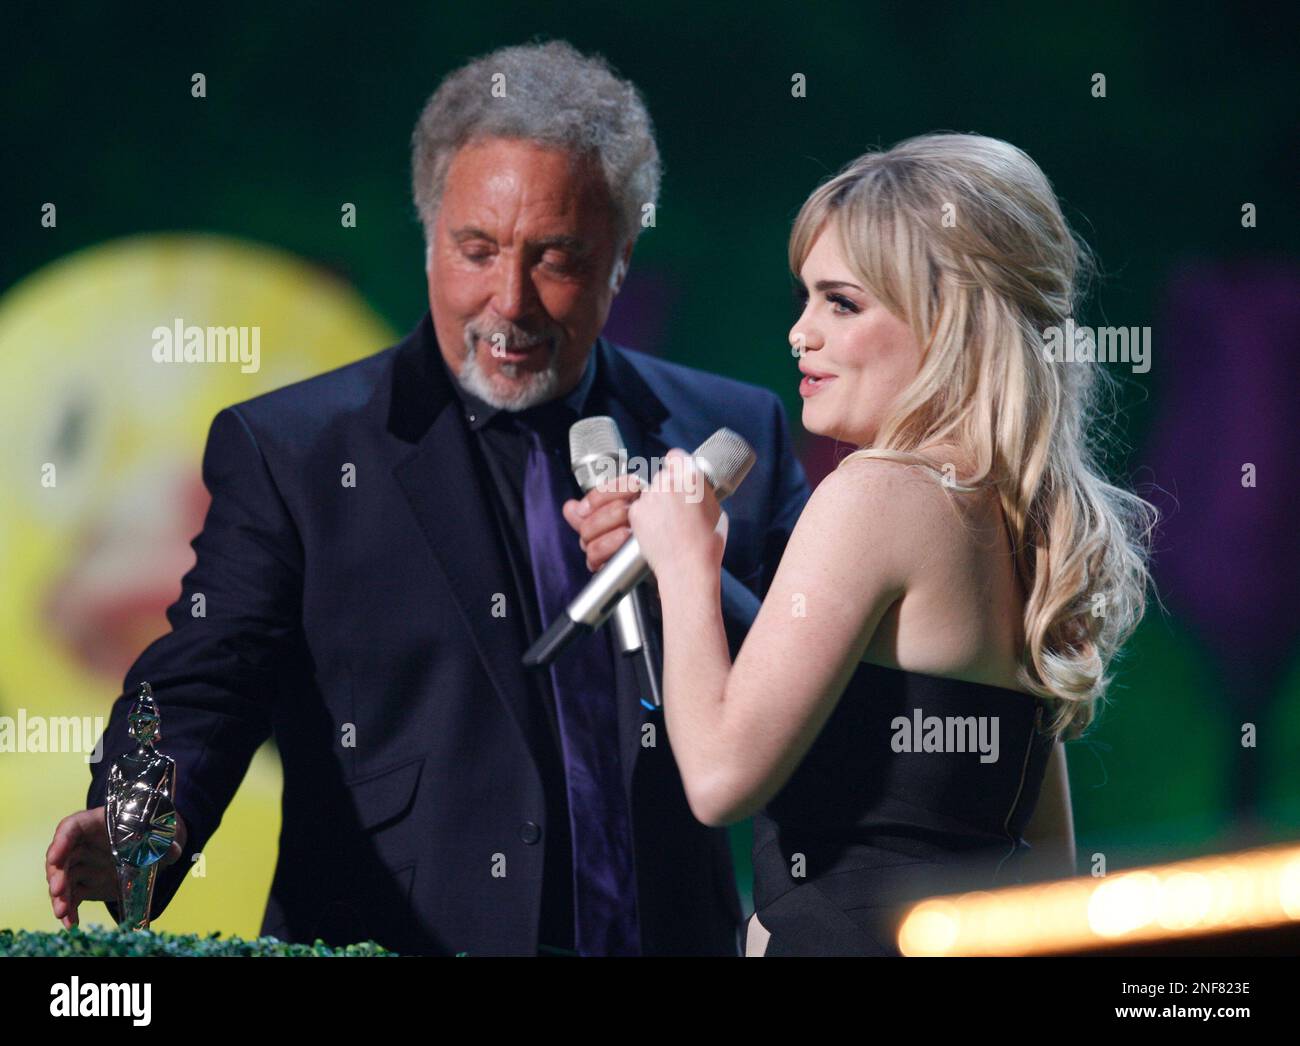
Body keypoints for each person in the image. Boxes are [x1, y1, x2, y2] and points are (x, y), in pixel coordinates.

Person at [44, 40, 810, 956]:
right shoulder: (297, 450)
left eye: (556, 257)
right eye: (476, 250)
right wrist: (134, 828)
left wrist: (695, 577)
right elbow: (203, 682)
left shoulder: (733, 432)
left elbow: (813, 683)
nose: (509, 300)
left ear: (621, 257)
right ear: (428, 233)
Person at [621, 133, 1158, 956]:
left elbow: (721, 778)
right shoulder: (1024, 520)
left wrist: (684, 563)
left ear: (948, 321)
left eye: (841, 303)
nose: (800, 333)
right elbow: (1045, 868)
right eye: (804, 299)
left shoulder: (875, 492)